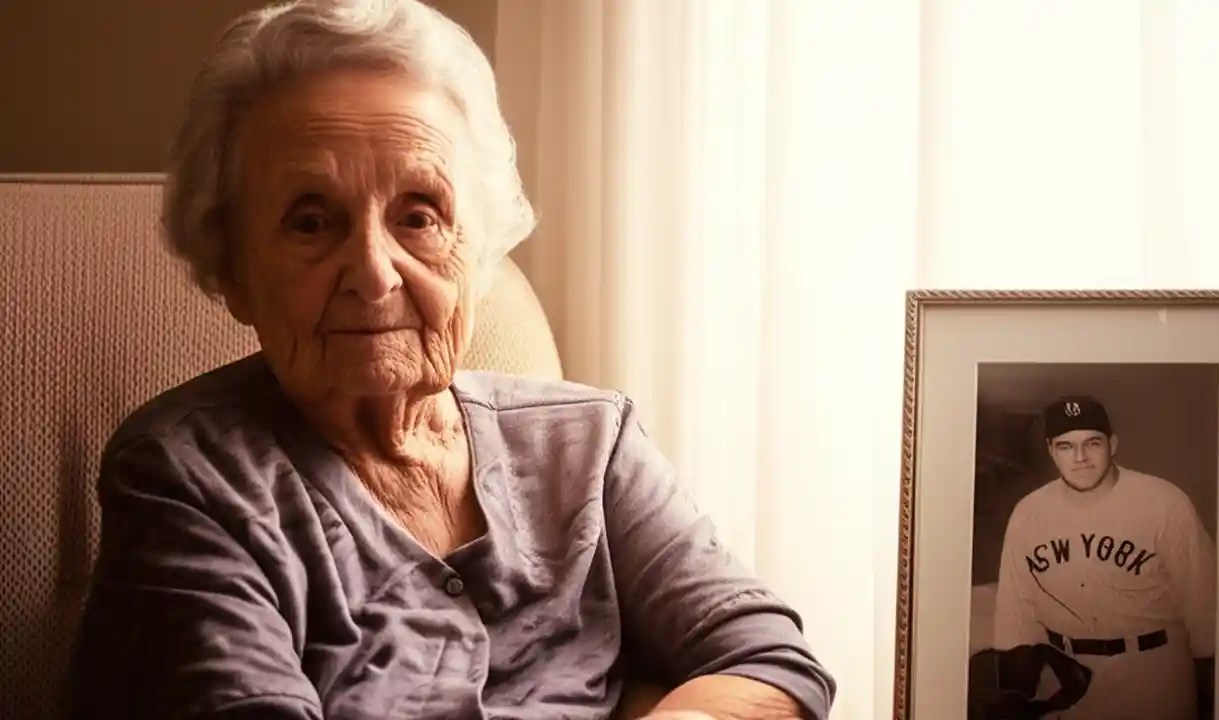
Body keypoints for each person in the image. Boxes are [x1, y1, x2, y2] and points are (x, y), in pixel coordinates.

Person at [68, 1, 836, 718]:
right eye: (311, 221)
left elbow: (767, 657)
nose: (374, 272)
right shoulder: (187, 479)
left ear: (477, 248)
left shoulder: (587, 446)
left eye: (419, 216)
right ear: (233, 269)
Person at [989, 395, 1216, 719]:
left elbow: (1205, 605)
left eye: (1091, 443)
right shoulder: (1029, 512)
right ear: (1051, 450)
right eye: (1066, 446)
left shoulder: (1164, 503)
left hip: (1153, 676)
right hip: (1066, 678)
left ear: (1112, 443)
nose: (1080, 457)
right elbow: (1015, 609)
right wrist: (1015, 694)